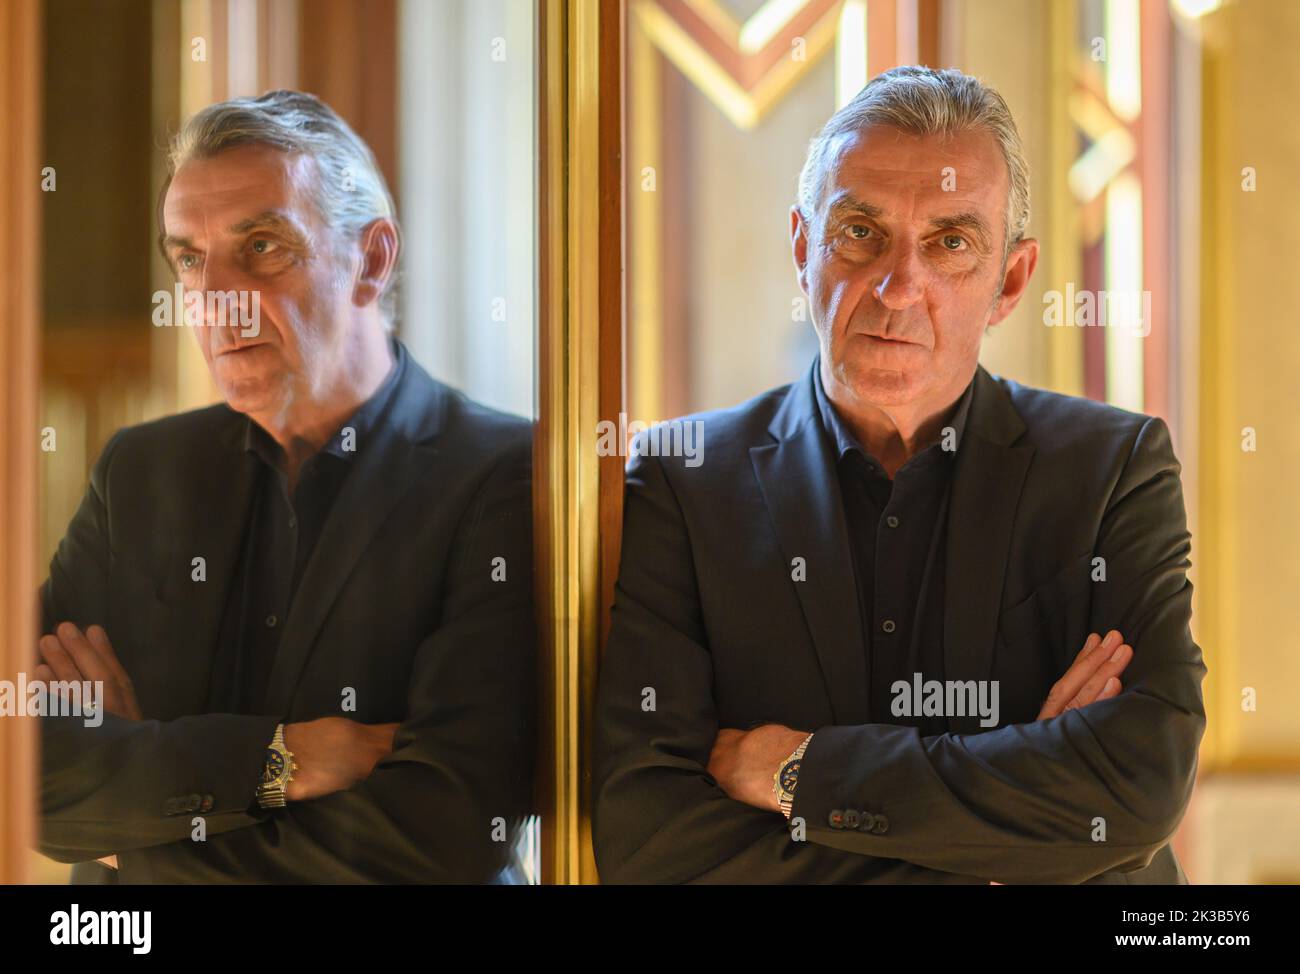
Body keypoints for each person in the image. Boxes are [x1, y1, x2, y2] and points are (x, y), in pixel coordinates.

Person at [593, 66, 1205, 884]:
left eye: (951, 243)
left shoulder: (1112, 470)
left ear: (1010, 282)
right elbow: (650, 837)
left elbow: (1135, 787)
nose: (897, 286)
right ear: (804, 248)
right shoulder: (682, 481)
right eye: (860, 232)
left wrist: (799, 775)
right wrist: (1009, 850)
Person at [36, 90, 535, 883]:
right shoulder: (138, 471)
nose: (212, 297)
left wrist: (132, 817)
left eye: (262, 246)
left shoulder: (505, 475)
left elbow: (440, 836)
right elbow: (22, 772)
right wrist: (281, 761)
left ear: (370, 259)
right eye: (190, 258)